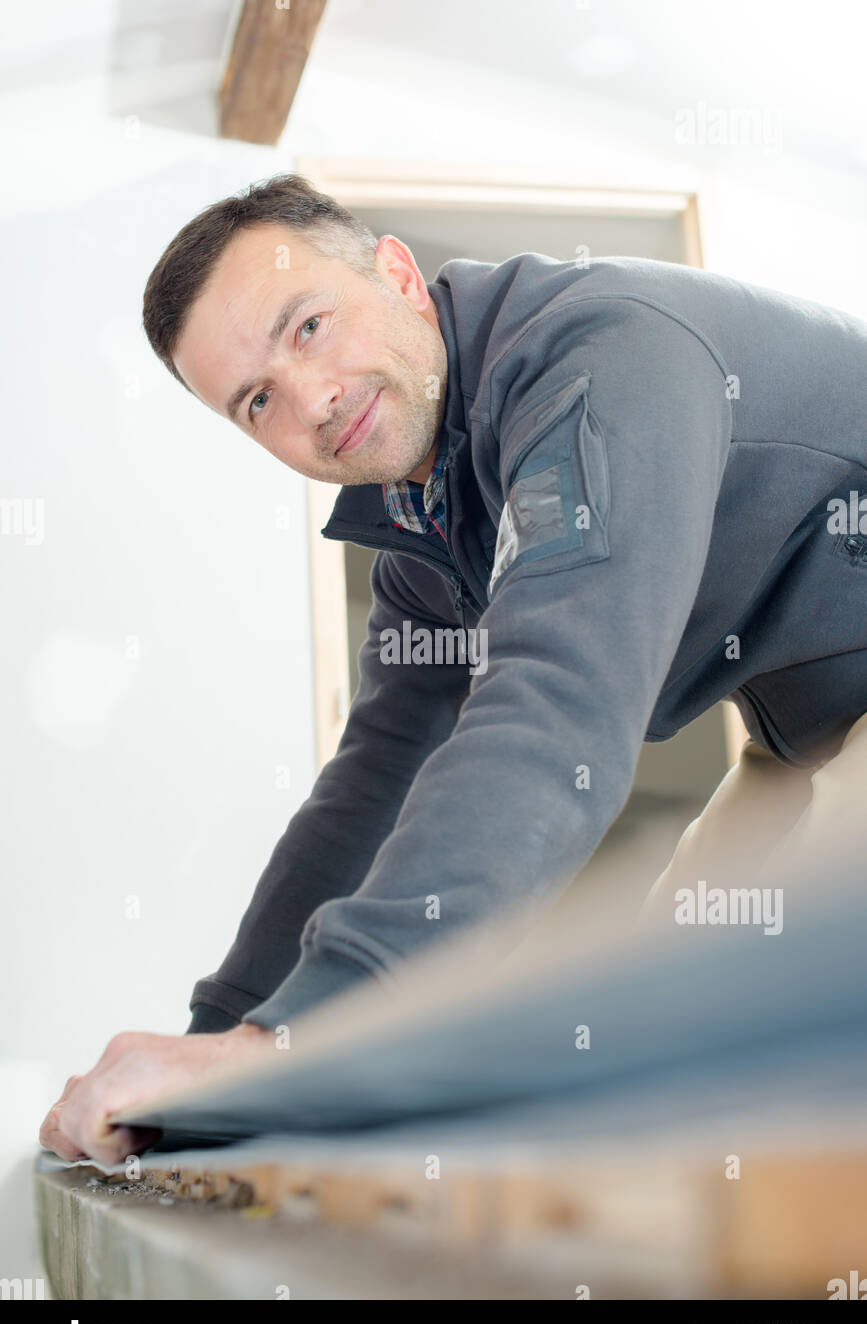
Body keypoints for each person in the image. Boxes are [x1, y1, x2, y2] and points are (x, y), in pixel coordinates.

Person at [39, 173, 867, 1163]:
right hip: (809, 734)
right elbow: (376, 779)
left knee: (776, 992)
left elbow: (557, 711)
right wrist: (223, 1038)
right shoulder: (428, 532)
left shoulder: (598, 364)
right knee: (669, 1014)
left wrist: (294, 1036)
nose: (309, 399)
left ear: (395, 272)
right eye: (256, 401)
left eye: (306, 327)